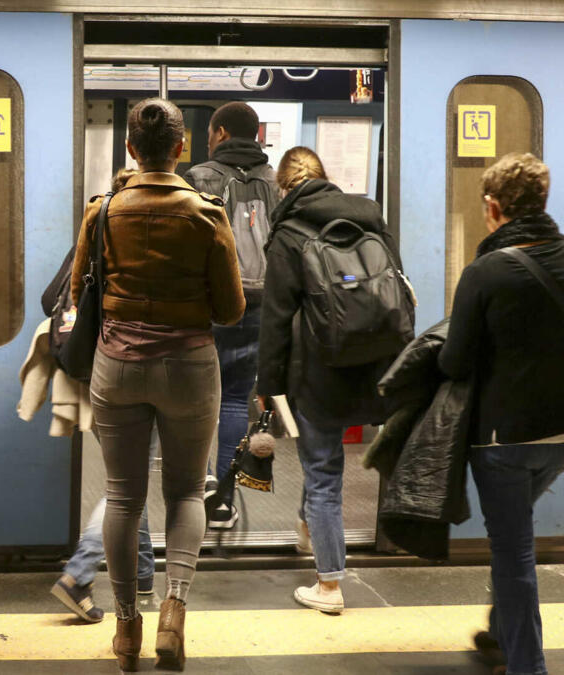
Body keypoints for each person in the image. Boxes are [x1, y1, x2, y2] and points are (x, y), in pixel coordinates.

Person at [72, 98, 244, 672]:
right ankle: (175, 611)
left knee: (124, 495)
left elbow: (78, 295)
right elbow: (231, 309)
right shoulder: (206, 213)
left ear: (129, 149)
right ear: (181, 148)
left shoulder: (102, 211)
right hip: (190, 366)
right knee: (187, 492)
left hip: (117, 366)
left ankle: (126, 627)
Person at [256, 147, 399, 615]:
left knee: (322, 473)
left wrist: (268, 386)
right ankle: (308, 527)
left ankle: (330, 584)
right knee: (326, 465)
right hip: (371, 365)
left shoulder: (289, 234)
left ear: (284, 187)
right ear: (325, 177)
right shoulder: (368, 221)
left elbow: (276, 320)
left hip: (315, 371)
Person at [439, 152, 564, 675]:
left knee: (513, 554)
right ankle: (501, 631)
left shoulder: (486, 271)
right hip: (560, 436)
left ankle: (527, 666)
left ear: (493, 208)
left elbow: (454, 360)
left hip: (503, 441)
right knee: (514, 541)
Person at [52, 167, 157, 624]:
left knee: (131, 477)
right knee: (125, 486)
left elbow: (50, 298)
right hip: (134, 373)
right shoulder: (148, 246)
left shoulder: (94, 233)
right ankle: (78, 575)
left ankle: (147, 577)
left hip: (97, 376)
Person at [183, 102, 280, 529]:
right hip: (261, 303)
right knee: (237, 398)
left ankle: (197, 484)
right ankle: (223, 497)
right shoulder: (277, 182)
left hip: (209, 306)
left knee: (195, 397)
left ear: (220, 132)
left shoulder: (198, 177)